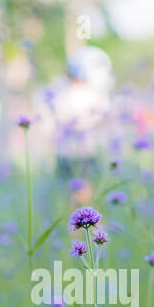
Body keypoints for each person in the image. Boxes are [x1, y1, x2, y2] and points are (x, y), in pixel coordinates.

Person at [53, 45, 112, 202]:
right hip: (83, 152)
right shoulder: (91, 94)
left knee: (71, 196)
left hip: (69, 152)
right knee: (85, 196)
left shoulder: (62, 91)